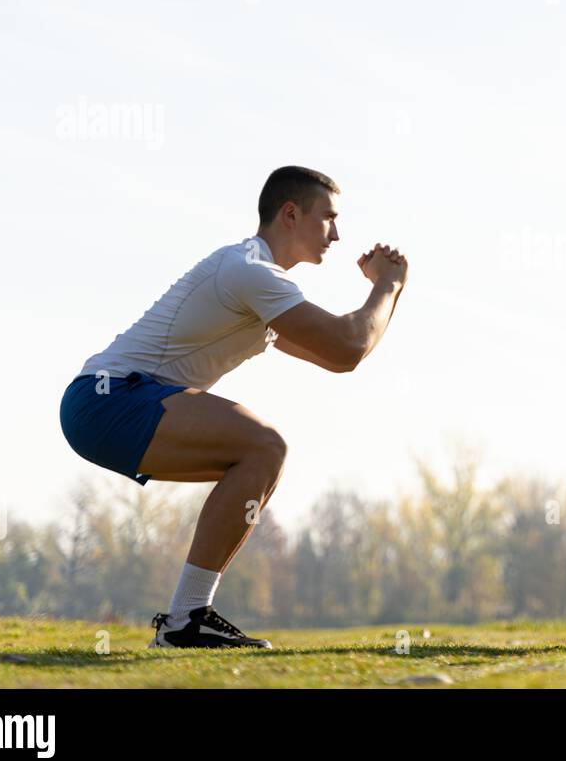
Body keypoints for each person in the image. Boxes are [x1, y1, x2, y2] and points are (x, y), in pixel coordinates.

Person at [58, 165, 408, 648]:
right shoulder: (250, 271)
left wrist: (384, 293)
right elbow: (348, 345)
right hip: (108, 399)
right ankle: (186, 619)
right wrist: (387, 285)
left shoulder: (257, 281)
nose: (337, 233)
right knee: (264, 445)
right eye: (328, 218)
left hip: (104, 406)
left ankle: (188, 618)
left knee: (261, 455)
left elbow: (341, 359)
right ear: (290, 213)